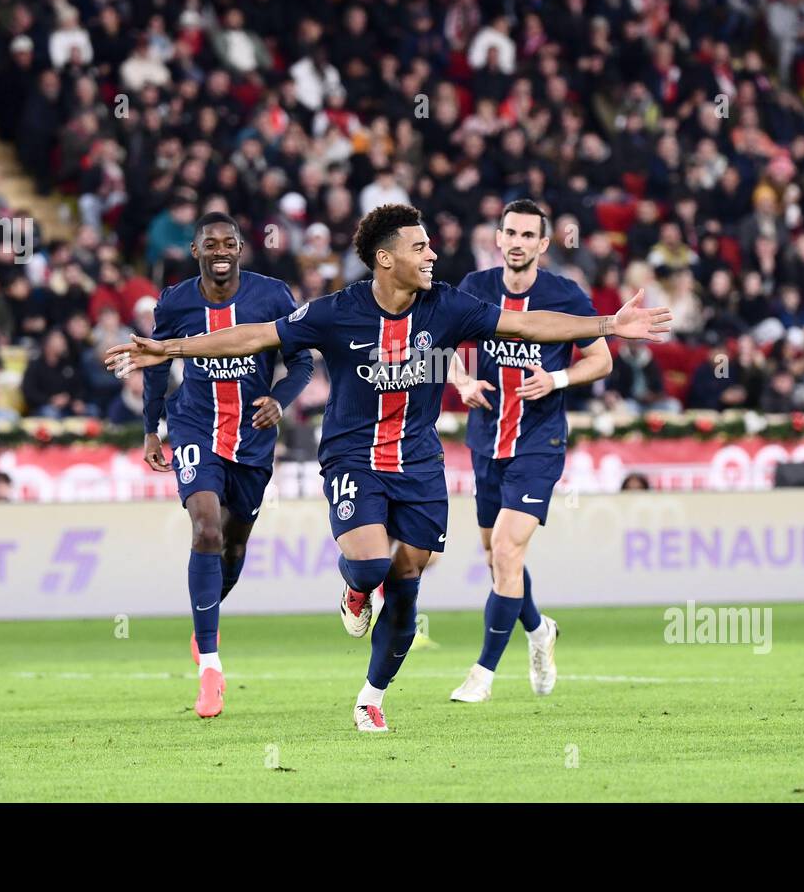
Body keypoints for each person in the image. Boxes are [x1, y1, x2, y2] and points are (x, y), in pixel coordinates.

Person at [107, 204, 672, 732]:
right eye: (420, 247)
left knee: (407, 585)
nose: (432, 255)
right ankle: (354, 592)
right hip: (354, 456)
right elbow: (256, 335)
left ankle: (371, 698)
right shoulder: (338, 311)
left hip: (420, 464)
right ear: (386, 258)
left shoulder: (447, 306)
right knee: (374, 565)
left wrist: (607, 326)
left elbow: (528, 327)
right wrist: (172, 350)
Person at [141, 213, 313, 718]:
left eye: (229, 243)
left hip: (253, 439)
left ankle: (206, 623)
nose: (221, 250)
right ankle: (211, 668)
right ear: (195, 252)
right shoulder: (175, 302)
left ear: (241, 249)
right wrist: (152, 428)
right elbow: (156, 362)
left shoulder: (272, 297)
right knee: (207, 529)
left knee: (233, 546)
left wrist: (280, 399)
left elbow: (300, 360)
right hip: (195, 427)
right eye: (210, 243)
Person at [447, 199, 613, 703]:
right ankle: (539, 630)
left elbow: (601, 359)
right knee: (497, 556)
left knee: (505, 549)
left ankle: (483, 673)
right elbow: (443, 345)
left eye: (527, 236)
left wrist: (558, 377)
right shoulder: (474, 289)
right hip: (485, 438)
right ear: (498, 238)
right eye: (510, 233)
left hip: (539, 442)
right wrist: (461, 380)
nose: (517, 242)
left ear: (543, 245)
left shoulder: (564, 295)